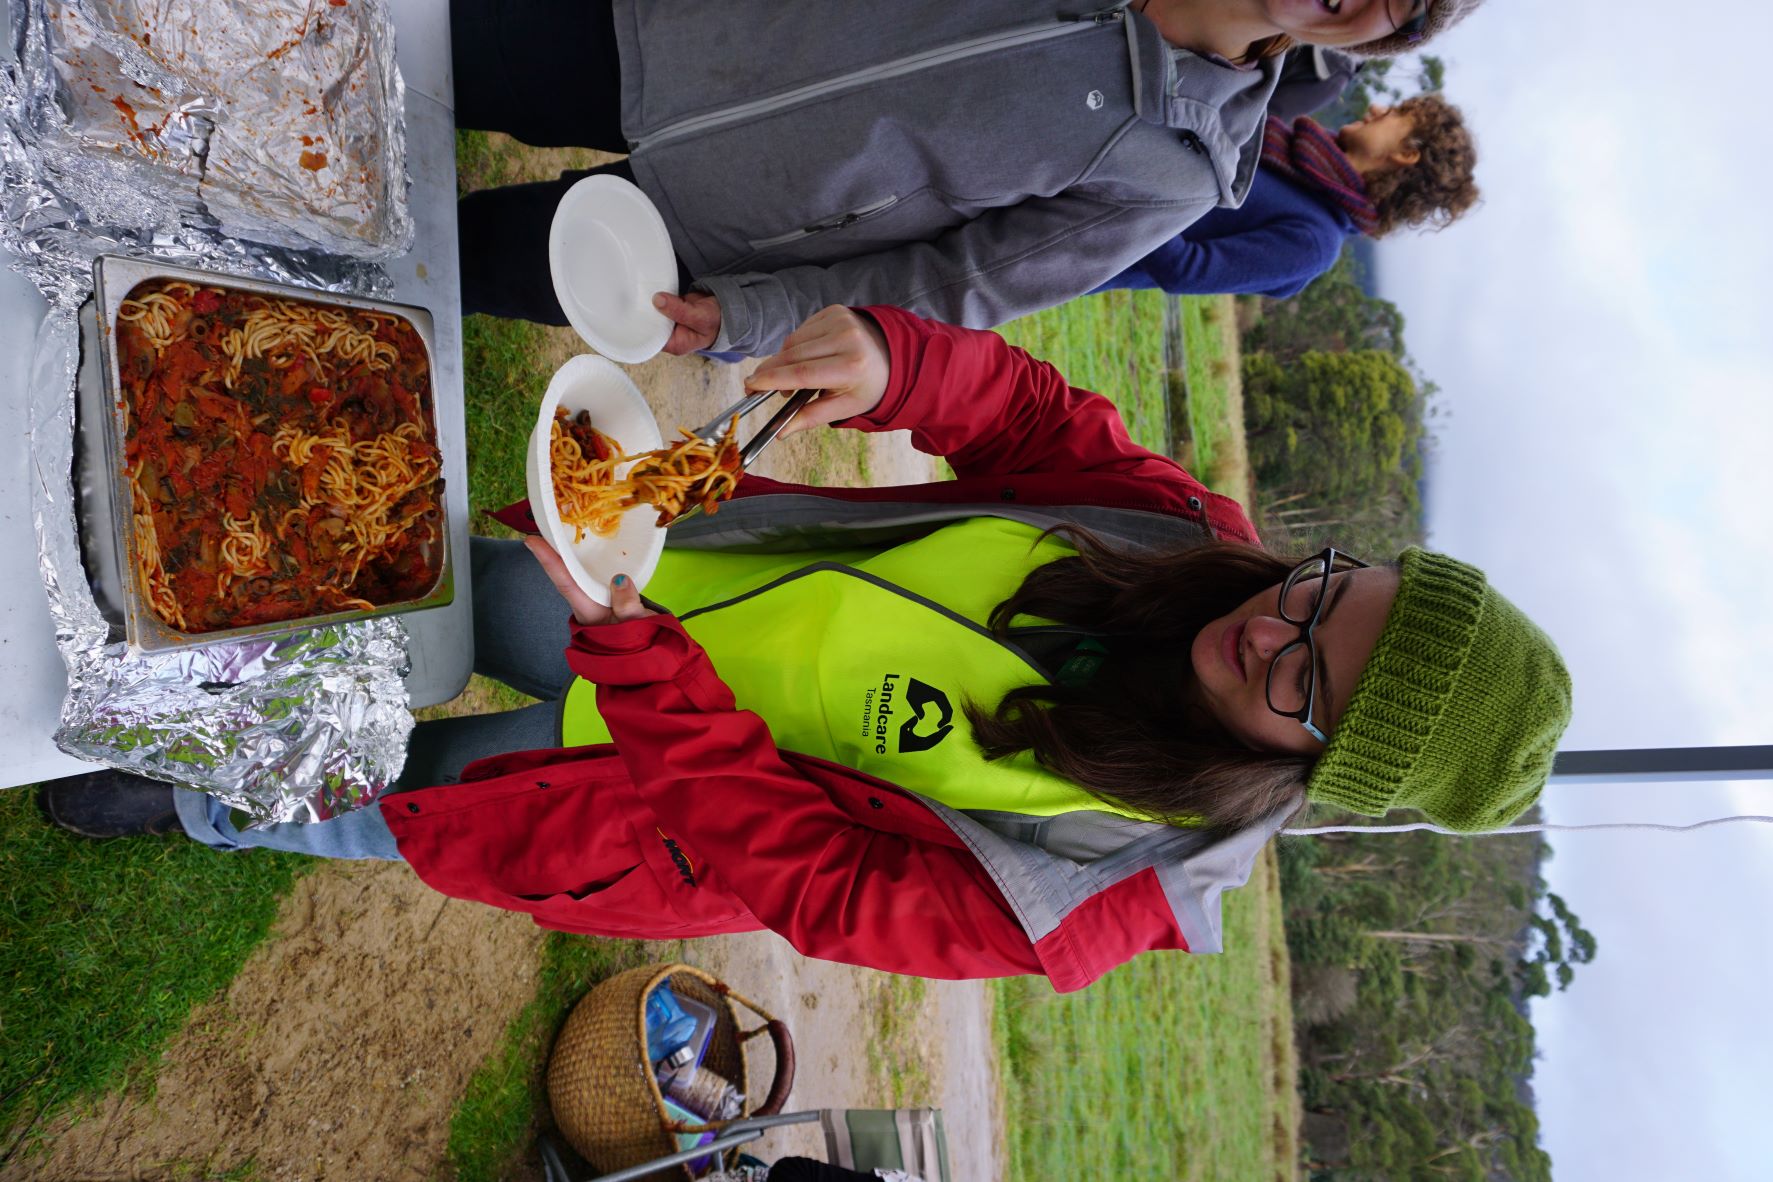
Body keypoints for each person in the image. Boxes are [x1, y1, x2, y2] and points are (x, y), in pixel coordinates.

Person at [44, 305, 1572, 993]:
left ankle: (188, 797)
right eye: (1325, 587)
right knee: (386, 573)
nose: (1272, 626)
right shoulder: (1180, 533)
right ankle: (168, 610)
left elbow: (823, 883)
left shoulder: (1102, 889)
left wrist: (638, 671)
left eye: (1310, 677)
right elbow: (1039, 421)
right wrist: (908, 362)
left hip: (624, 792)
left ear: (1315, 773)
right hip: (656, 572)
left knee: (387, 791)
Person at [453, 0, 1486, 357]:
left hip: (707, 231)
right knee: (346, 64)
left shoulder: (1177, 174)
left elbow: (960, 285)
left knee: (430, 271)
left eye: (1400, 5)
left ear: (1379, 41)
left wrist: (764, 314)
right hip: (656, 30)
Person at [1098, 93, 1478, 299]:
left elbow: (1186, 270)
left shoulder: (1314, 242)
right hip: (1087, 168)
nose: (1378, 107)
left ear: (1407, 153)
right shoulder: (1290, 147)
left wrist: (1134, 185)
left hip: (1075, 240)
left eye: (1397, 112)